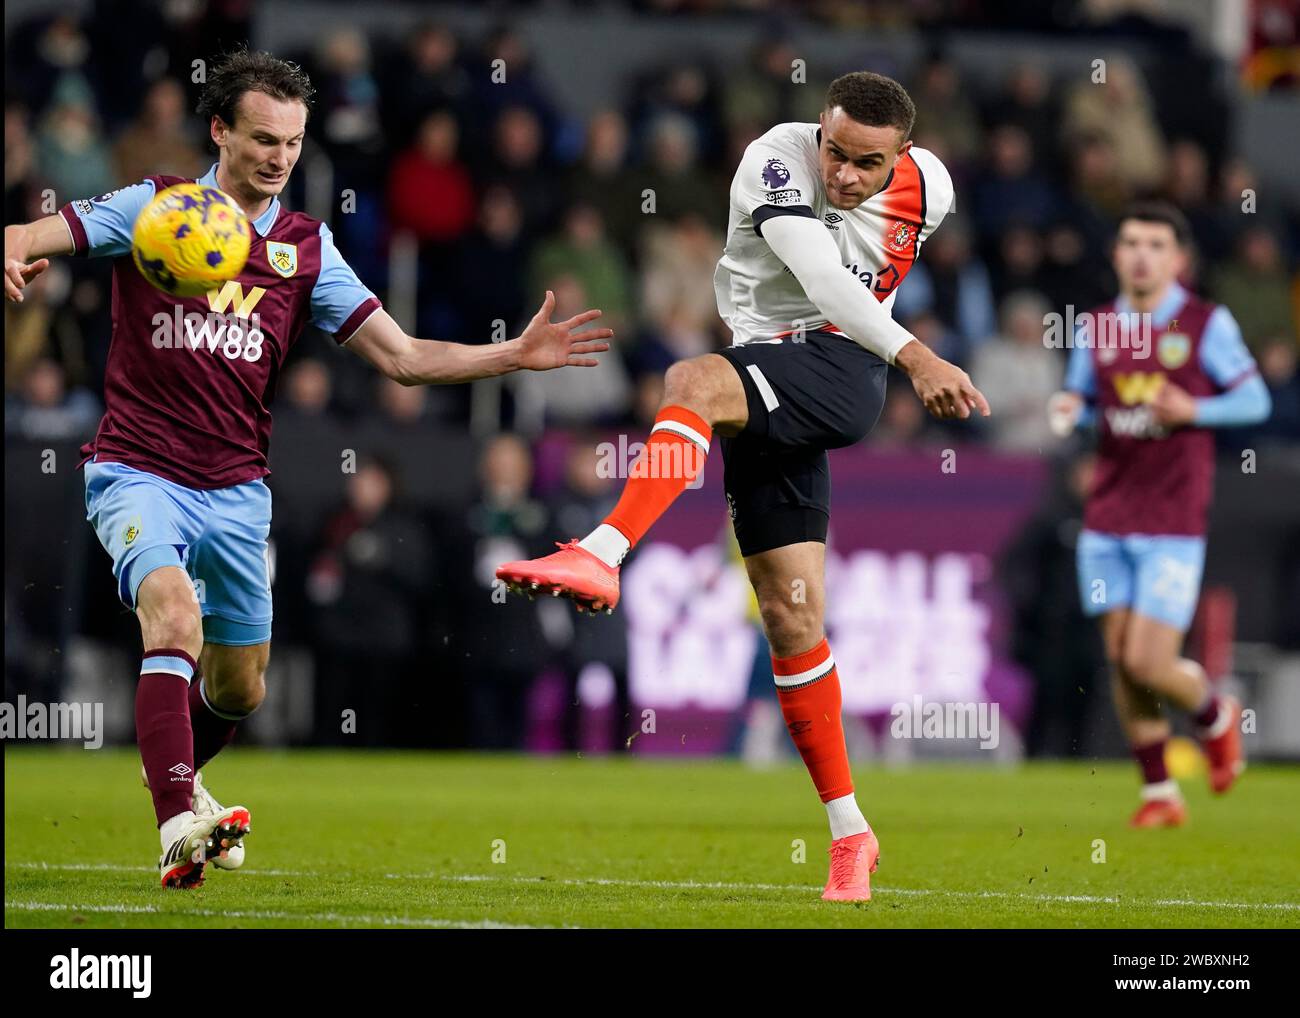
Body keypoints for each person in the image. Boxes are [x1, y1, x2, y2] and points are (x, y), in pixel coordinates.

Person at [3, 49, 611, 889]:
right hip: (137, 469)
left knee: (240, 685)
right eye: (260, 138)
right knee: (172, 613)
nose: (279, 156)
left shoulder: (305, 247)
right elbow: (46, 229)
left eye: (292, 140)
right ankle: (179, 821)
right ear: (219, 130)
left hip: (238, 491)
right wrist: (16, 244)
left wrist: (514, 353)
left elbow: (401, 357)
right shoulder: (157, 207)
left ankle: (170, 765)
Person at [499, 71, 988, 902]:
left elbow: (848, 302)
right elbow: (825, 274)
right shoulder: (776, 160)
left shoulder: (931, 186)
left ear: (903, 156)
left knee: (690, 378)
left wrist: (904, 354)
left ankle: (602, 550)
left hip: (839, 369)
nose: (842, 174)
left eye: (866, 164)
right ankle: (851, 834)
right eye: (835, 151)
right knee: (792, 617)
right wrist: (921, 353)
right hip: (776, 370)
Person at [1048, 202, 1271, 828]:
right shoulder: (1095, 327)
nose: (1142, 254)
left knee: (1148, 660)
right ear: (1116, 255)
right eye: (1130, 242)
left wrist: (1194, 412)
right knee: (1120, 656)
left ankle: (1214, 715)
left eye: (1155, 244)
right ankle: (1159, 794)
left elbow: (1254, 398)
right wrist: (1072, 411)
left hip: (1173, 517)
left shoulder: (1205, 323)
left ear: (1177, 259)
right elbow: (1086, 401)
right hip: (1107, 514)